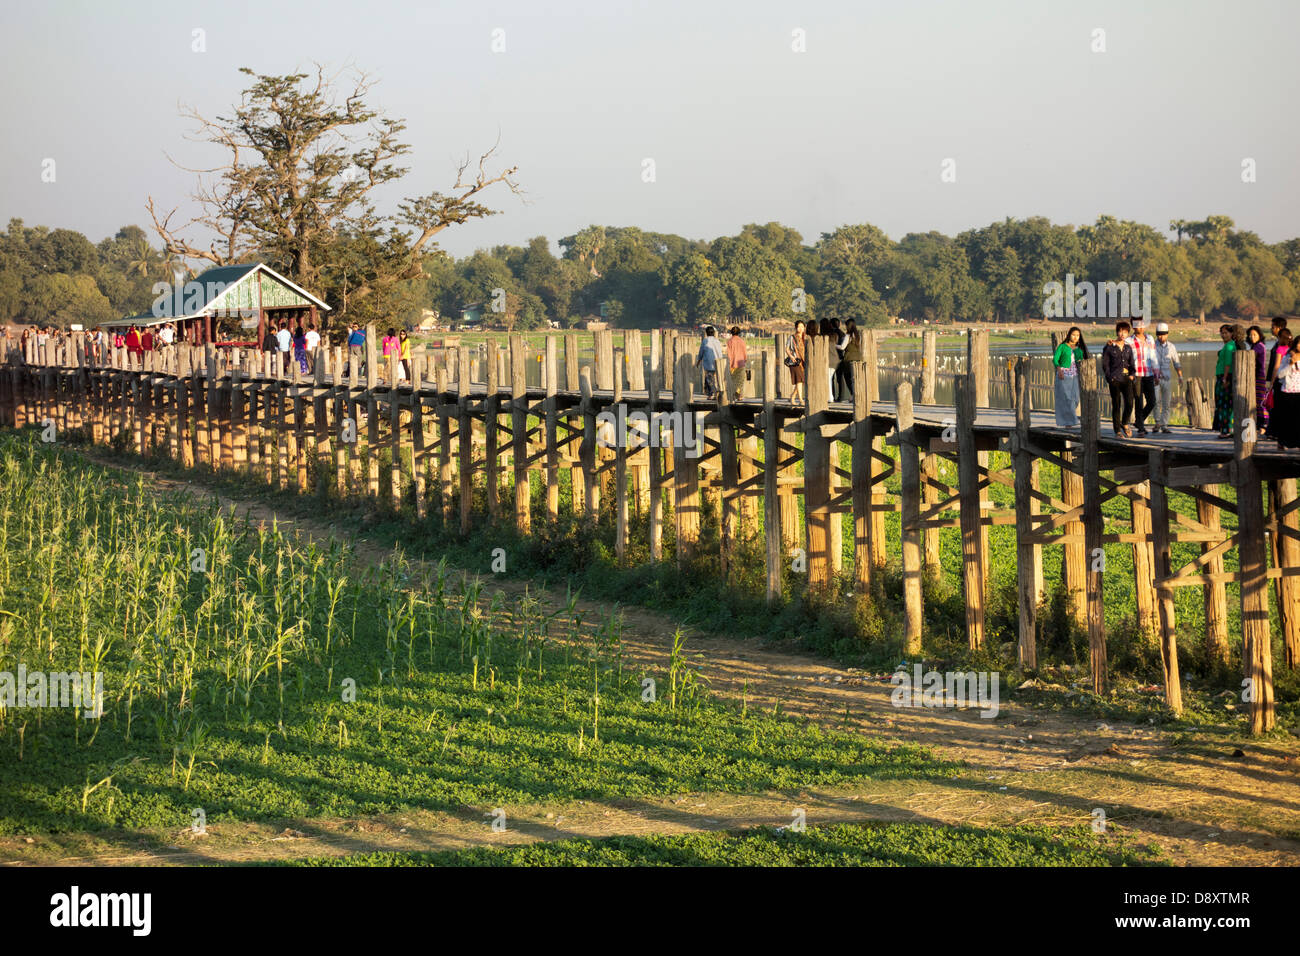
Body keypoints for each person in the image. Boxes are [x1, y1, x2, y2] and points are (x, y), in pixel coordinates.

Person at [1101, 321, 1136, 437]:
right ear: (1117, 332)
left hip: (1126, 379)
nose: (1122, 334)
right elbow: (1105, 364)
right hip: (1114, 380)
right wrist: (1109, 377)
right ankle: (1117, 431)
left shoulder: (1128, 348)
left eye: (1125, 332)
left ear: (1127, 334)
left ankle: (1125, 423)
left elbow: (1132, 364)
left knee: (1130, 403)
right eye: (1120, 331)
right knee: (1116, 405)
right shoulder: (1109, 347)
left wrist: (1132, 375)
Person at [1052, 326, 1087, 428]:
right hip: (1064, 375)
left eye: (1078, 335)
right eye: (1073, 335)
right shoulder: (1062, 346)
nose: (1075, 337)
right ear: (1069, 335)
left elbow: (1082, 361)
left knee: (1075, 398)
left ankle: (1069, 420)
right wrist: (1059, 370)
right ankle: (1069, 422)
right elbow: (1055, 360)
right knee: (1066, 398)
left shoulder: (1079, 349)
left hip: (1075, 375)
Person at [1152, 322, 1182, 433]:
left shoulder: (1171, 347)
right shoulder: (1152, 345)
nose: (1161, 336)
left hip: (1167, 379)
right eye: (1159, 334)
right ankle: (1157, 422)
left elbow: (1176, 363)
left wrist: (1180, 376)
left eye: (1163, 334)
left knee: (1166, 403)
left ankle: (1164, 425)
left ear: (1167, 334)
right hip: (1155, 379)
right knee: (1154, 401)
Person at [1128, 318, 1157, 435]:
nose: (1140, 327)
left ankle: (1139, 421)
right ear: (1133, 326)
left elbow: (1154, 356)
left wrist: (1157, 373)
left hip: (1149, 373)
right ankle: (1141, 428)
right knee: (1139, 401)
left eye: (1142, 324)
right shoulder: (1128, 341)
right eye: (1137, 325)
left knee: (1152, 401)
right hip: (1137, 375)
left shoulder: (1150, 338)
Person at [1271, 338, 1300, 449]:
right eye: (1298, 343)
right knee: (1286, 419)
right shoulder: (1288, 357)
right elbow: (1280, 375)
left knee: (1298, 420)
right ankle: (1282, 442)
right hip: (1287, 392)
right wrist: (1290, 364)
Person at [1265, 329, 1293, 441]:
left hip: (1279, 380)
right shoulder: (1292, 350)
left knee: (1275, 407)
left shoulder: (1280, 349)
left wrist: (1271, 383)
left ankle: (1273, 431)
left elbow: (1276, 367)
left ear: (1282, 338)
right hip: (1289, 382)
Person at [1212, 324, 1238, 438]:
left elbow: (1228, 364)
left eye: (1226, 333)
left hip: (1225, 377)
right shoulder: (1228, 345)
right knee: (1226, 404)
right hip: (1224, 376)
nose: (1223, 335)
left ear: (1232, 334)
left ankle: (1226, 430)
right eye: (1222, 333)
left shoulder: (1229, 346)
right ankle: (1228, 429)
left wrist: (1225, 379)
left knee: (1224, 404)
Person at [1247, 325, 1269, 429]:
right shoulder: (1254, 346)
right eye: (1250, 335)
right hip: (1255, 377)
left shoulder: (1259, 346)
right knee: (1256, 399)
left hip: (1259, 376)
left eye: (1255, 334)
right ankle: (1259, 422)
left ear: (1260, 335)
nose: (1252, 337)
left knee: (1260, 399)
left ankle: (1264, 422)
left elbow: (1250, 358)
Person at [837, 319, 864, 403]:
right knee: (856, 378)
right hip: (858, 358)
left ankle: (853, 395)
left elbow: (842, 347)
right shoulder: (858, 335)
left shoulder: (848, 336)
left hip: (849, 359)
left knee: (847, 377)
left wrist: (833, 345)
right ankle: (857, 395)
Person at [696, 325, 724, 399]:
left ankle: (712, 394)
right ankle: (714, 393)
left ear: (706, 333)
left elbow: (701, 352)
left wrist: (698, 361)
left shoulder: (705, 341)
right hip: (717, 363)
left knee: (709, 379)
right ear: (714, 333)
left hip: (708, 363)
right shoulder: (717, 341)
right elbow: (720, 352)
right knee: (714, 379)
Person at [786, 320, 807, 406]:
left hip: (803, 362)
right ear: (795, 327)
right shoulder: (792, 337)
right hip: (795, 362)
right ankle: (801, 400)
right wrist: (792, 357)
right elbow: (787, 349)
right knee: (799, 381)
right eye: (799, 327)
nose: (800, 328)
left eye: (802, 326)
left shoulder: (805, 337)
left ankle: (793, 396)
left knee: (801, 381)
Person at [726, 326, 747, 401]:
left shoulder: (729, 341)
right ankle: (739, 396)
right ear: (739, 333)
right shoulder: (742, 341)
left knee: (733, 381)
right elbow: (745, 353)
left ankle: (733, 396)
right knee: (740, 381)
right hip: (741, 363)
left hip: (732, 365)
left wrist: (729, 364)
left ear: (731, 333)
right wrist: (745, 360)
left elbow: (729, 354)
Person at [1267, 316, 1289, 382]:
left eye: (1273, 327)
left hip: (1280, 379)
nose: (1271, 329)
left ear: (1280, 328)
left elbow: (1278, 364)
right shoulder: (1277, 342)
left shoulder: (1285, 344)